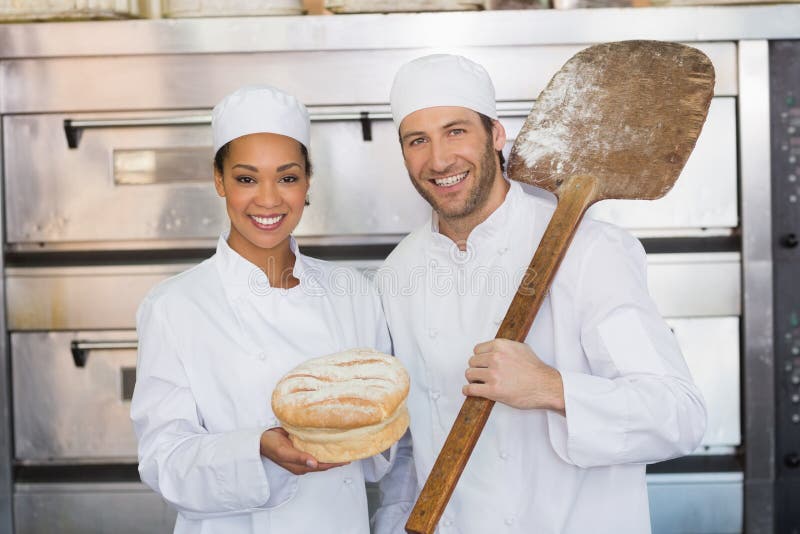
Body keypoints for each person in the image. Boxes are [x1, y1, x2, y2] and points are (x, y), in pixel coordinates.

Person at [376, 54, 707, 533]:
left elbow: (678, 416)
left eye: (456, 131)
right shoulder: (396, 275)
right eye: (417, 140)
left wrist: (552, 388)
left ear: (496, 135)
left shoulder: (588, 250)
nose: (439, 159)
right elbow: (410, 447)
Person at [130, 85, 414, 534]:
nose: (268, 199)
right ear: (219, 180)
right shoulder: (175, 306)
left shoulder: (353, 292)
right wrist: (256, 451)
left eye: (287, 177)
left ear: (307, 182)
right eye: (246, 178)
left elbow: (385, 435)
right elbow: (163, 459)